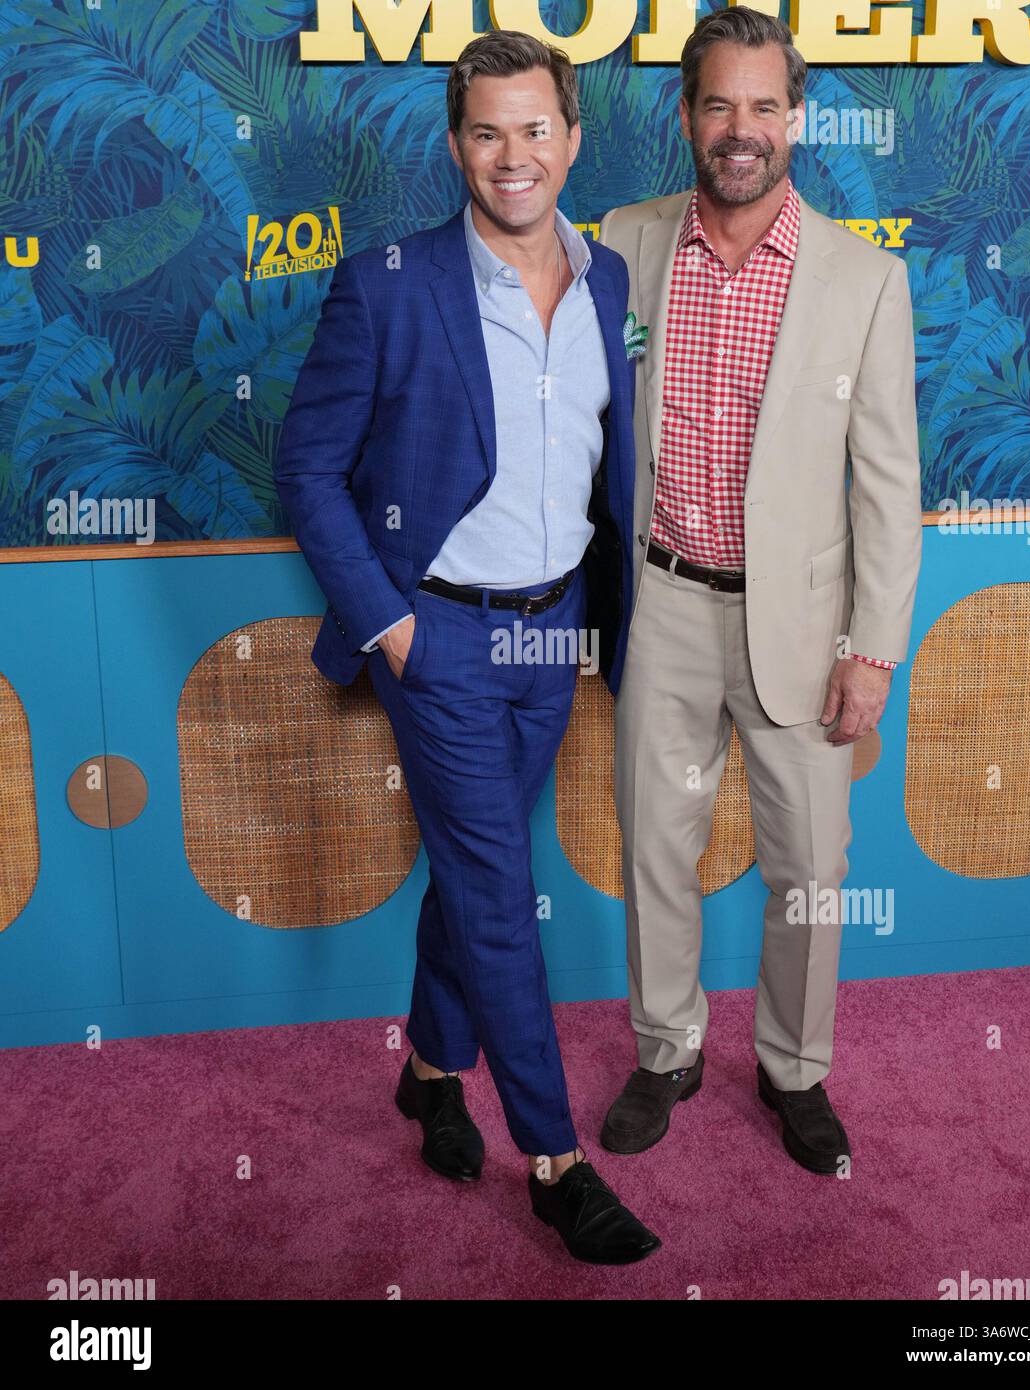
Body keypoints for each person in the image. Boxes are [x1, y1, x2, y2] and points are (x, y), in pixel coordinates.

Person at [275, 30, 659, 1264]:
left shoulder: (603, 282)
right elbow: (306, 464)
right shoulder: (389, 282)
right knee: (498, 889)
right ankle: (552, 1160)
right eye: (486, 131)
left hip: (552, 632)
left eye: (535, 129)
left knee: (469, 862)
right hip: (434, 632)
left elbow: (609, 470)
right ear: (455, 145)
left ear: (573, 138)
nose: (513, 156)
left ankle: (433, 1069)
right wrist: (387, 622)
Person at [597, 6, 921, 1171]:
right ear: (685, 116)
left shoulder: (864, 278)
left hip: (803, 622)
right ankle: (664, 1049)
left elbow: (888, 484)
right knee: (654, 847)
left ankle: (792, 1068)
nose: (740, 129)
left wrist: (871, 649)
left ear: (798, 118)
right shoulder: (619, 243)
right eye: (717, 105)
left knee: (811, 871)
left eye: (763, 106)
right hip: (661, 601)